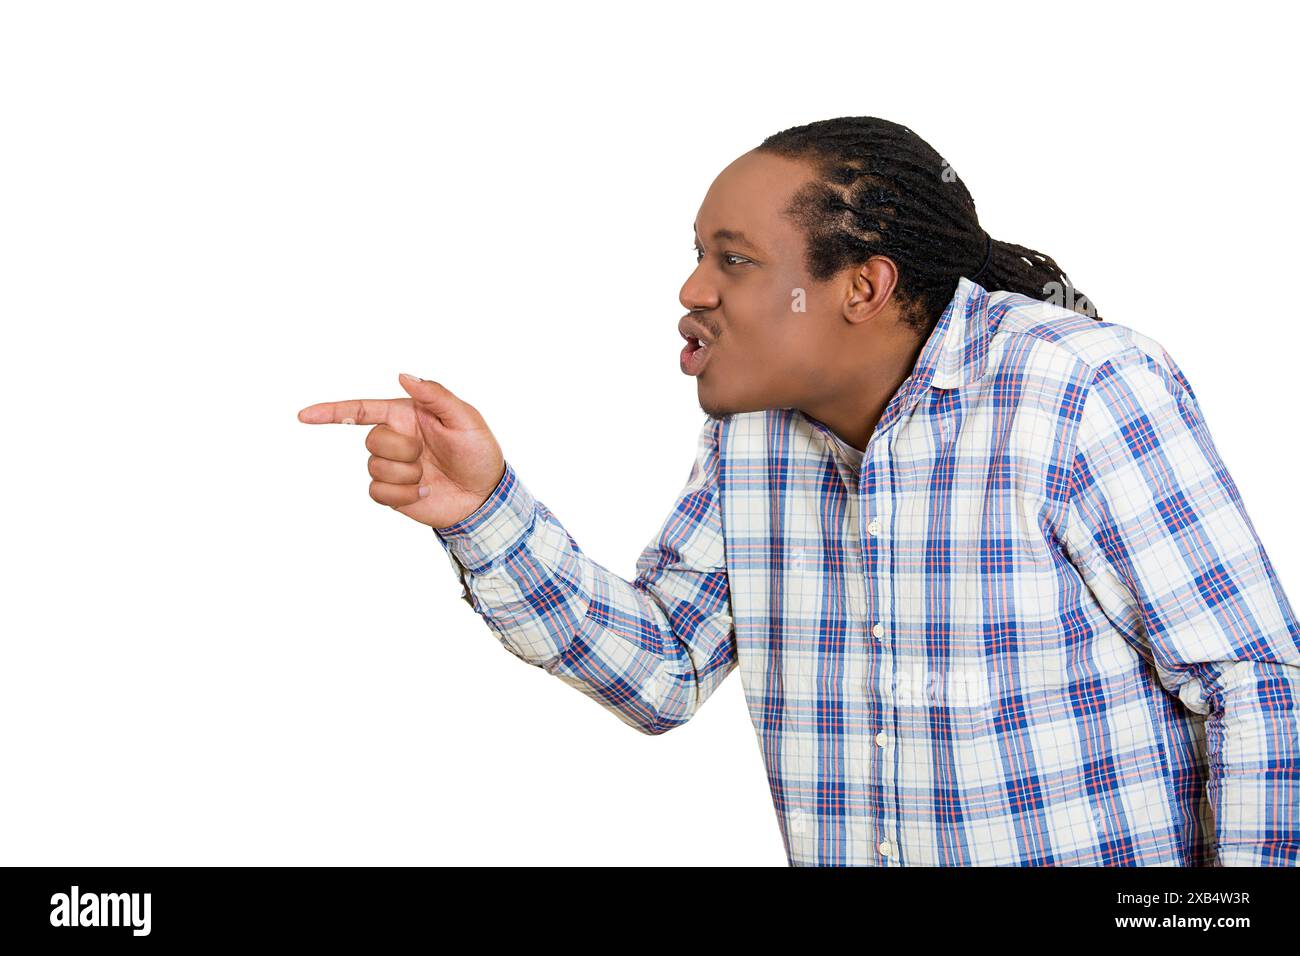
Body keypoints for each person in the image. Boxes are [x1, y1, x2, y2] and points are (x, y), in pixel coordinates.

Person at [298, 116, 1300, 867]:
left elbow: (1256, 685)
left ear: (861, 286)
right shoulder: (751, 439)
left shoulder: (1075, 387)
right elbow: (665, 670)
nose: (693, 290)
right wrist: (483, 511)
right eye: (697, 255)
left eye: (732, 259)